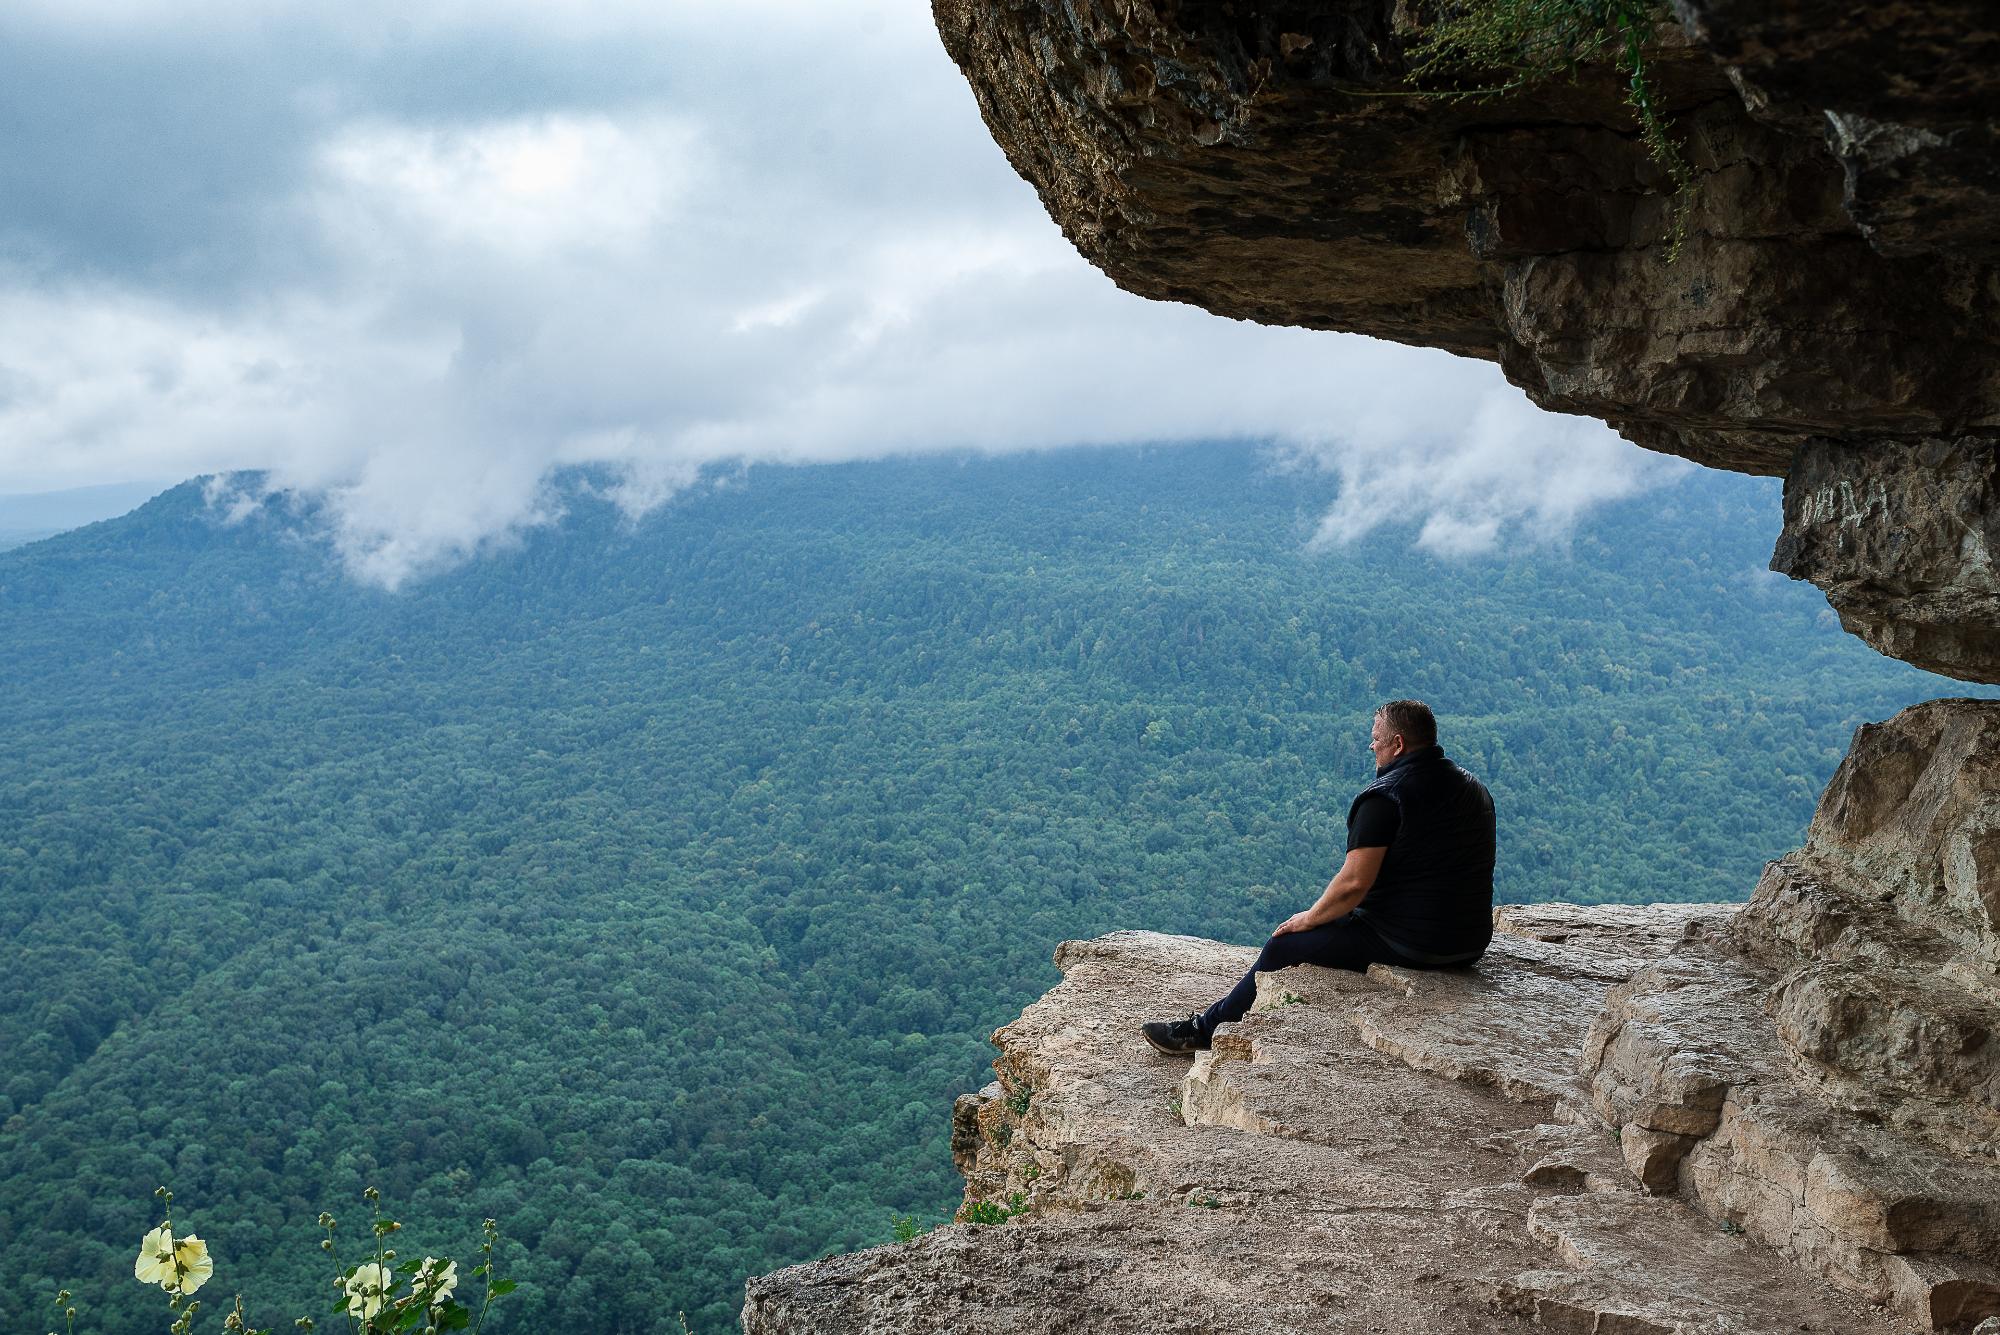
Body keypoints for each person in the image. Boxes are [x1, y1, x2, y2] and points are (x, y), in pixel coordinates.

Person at [1142, 699, 1496, 1055]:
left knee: (1283, 945)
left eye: (1376, 738)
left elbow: (1355, 883)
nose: (1372, 746)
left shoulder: (1385, 799)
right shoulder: (1473, 787)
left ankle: (1203, 1031)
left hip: (1412, 942)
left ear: (1399, 744)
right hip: (1469, 942)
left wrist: (1308, 919)